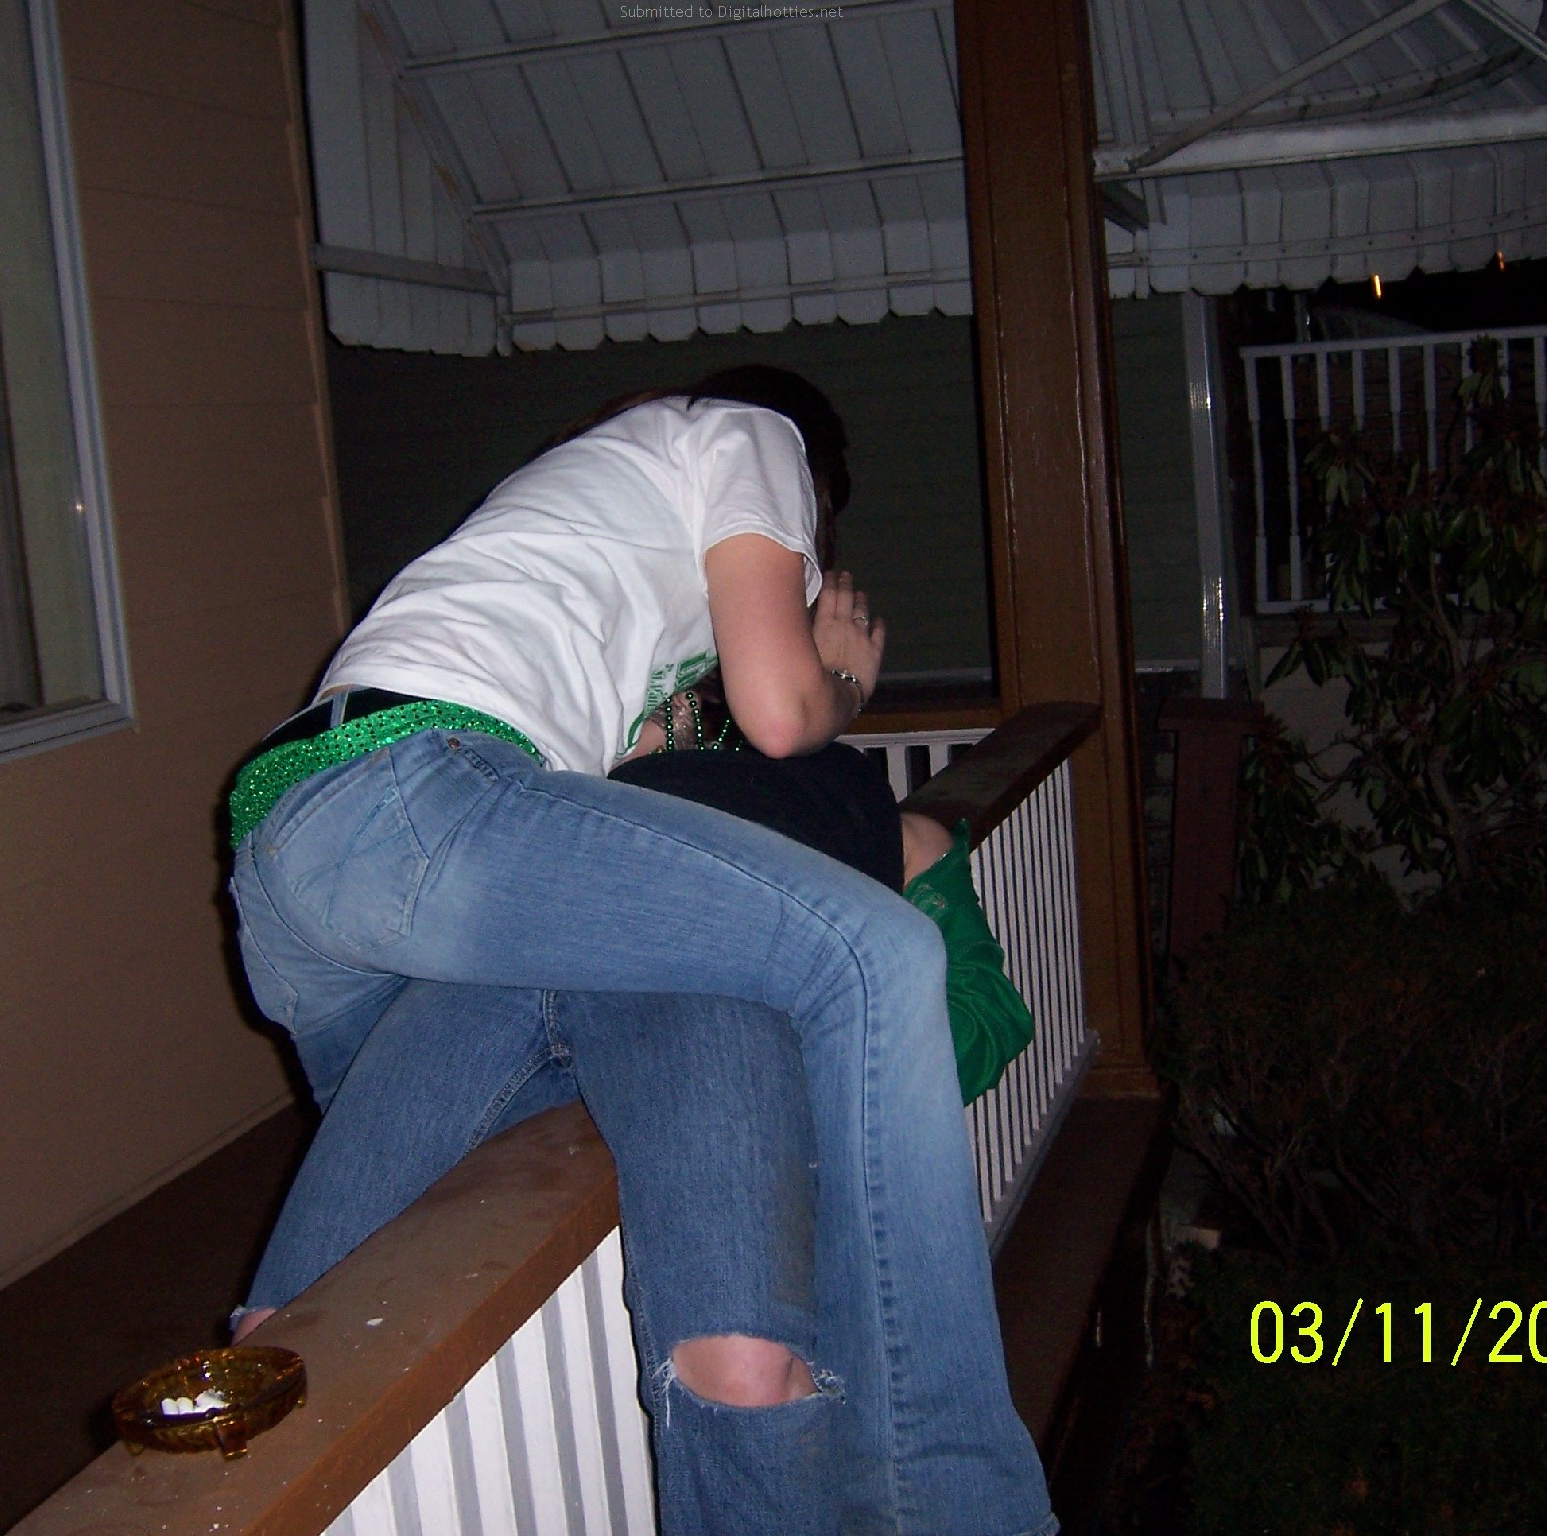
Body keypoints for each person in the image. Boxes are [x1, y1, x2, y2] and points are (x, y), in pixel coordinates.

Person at [227, 368, 1053, 1535]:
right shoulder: (749, 434)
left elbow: (647, 758)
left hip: (304, 851)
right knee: (876, 956)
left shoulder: (590, 532)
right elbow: (778, 710)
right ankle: (954, 1502)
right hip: (415, 793)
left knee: (324, 1312)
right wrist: (840, 681)